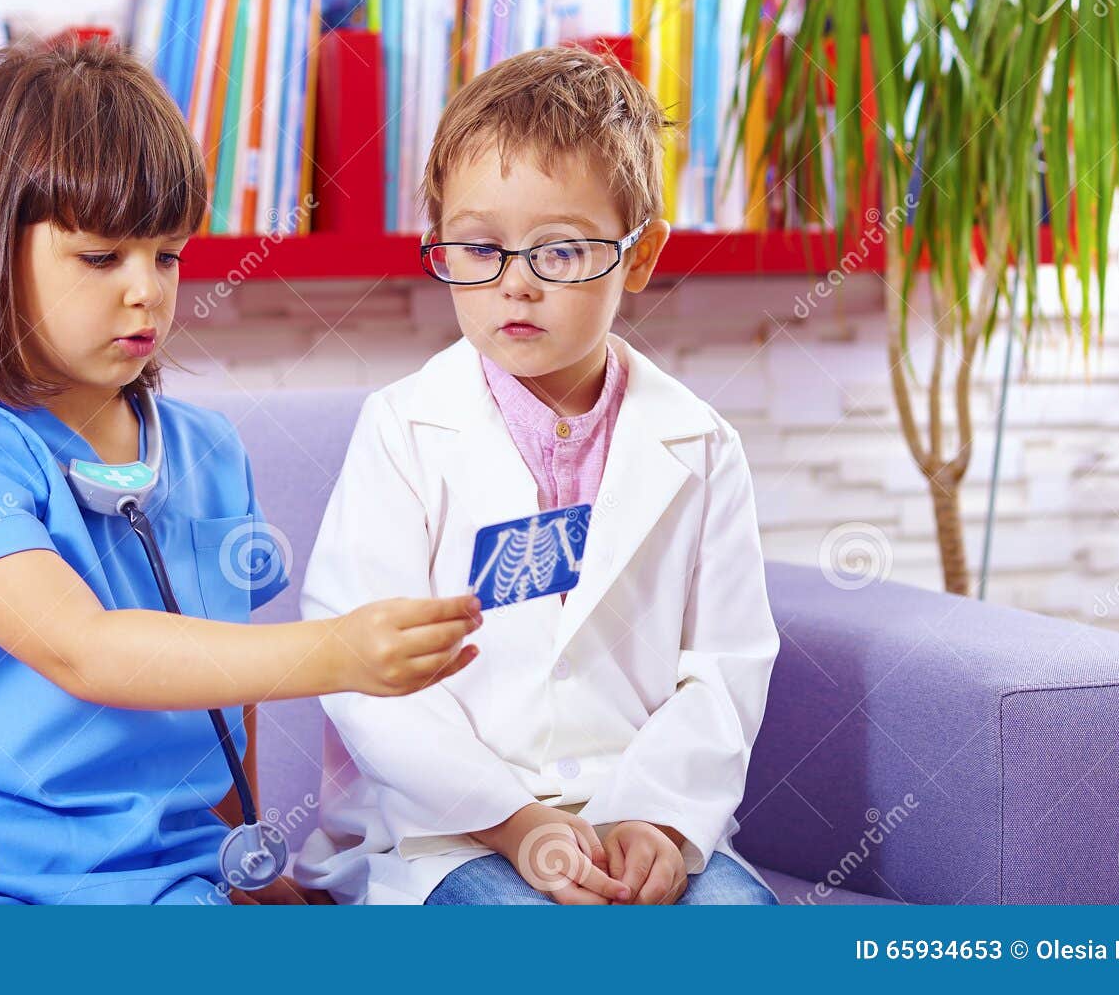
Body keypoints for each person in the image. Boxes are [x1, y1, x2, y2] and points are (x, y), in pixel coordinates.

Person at [0, 40, 480, 905]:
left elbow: (231, 674)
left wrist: (238, 848)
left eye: (168, 255)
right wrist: (335, 652)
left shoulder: (209, 452)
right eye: (101, 258)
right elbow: (83, 650)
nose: (146, 290)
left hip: (156, 877)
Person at [294, 46, 780, 905]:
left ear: (640, 256)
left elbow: (724, 668)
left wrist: (659, 821)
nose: (514, 284)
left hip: (636, 815)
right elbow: (364, 672)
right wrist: (515, 821)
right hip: (453, 828)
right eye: (479, 247)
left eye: (559, 252)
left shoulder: (701, 446)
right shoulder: (403, 432)